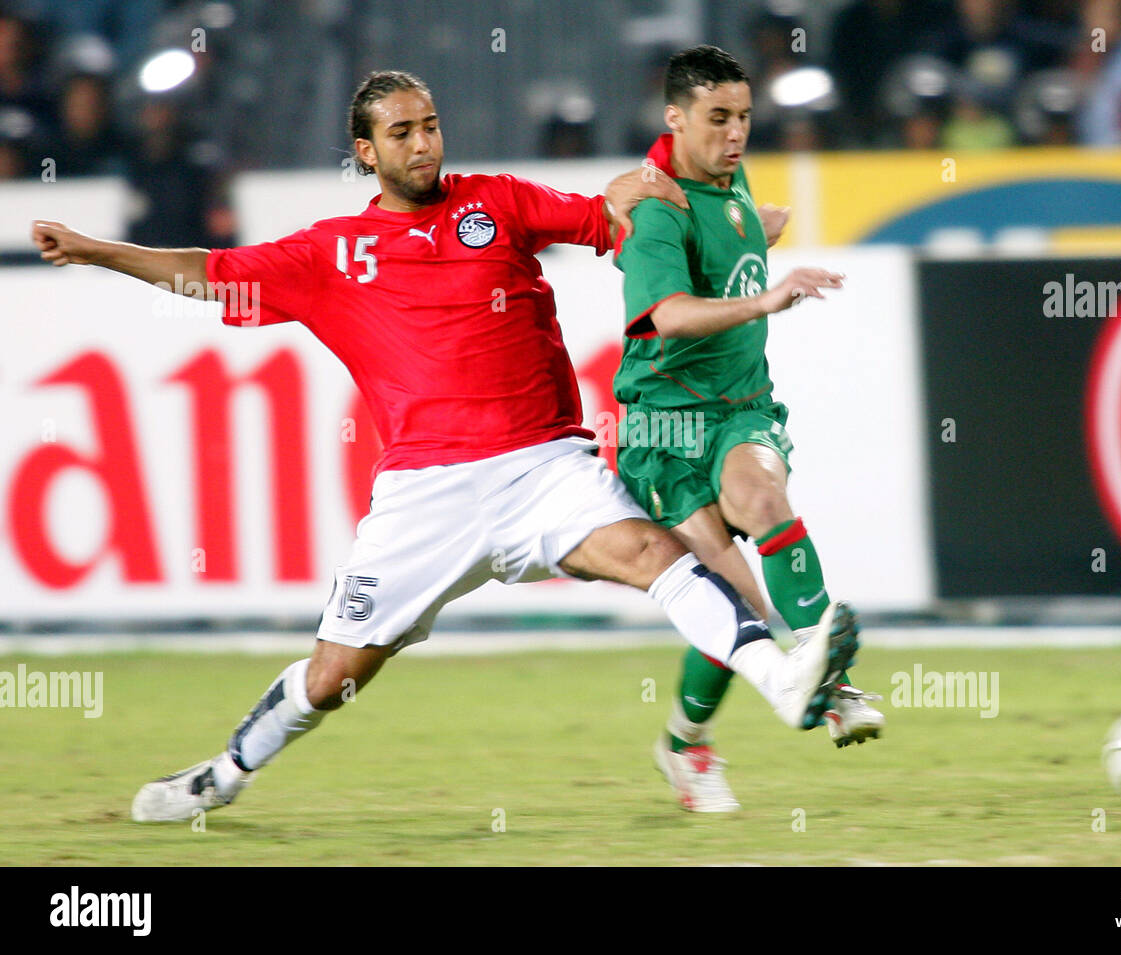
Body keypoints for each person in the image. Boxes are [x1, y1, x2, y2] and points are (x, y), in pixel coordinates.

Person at [31, 69, 860, 823]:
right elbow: (210, 273)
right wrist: (101, 251)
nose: (423, 143)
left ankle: (785, 679)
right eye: (402, 132)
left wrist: (647, 195)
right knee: (333, 680)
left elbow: (621, 226)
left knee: (654, 552)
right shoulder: (329, 255)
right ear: (366, 150)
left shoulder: (495, 203)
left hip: (543, 467)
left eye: (430, 125)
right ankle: (222, 776)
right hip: (423, 497)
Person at [612, 46, 885, 813]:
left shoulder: (727, 179)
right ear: (676, 119)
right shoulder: (655, 210)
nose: (735, 135)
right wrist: (767, 298)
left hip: (742, 409)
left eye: (744, 119)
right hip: (665, 433)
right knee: (736, 616)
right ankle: (683, 747)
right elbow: (666, 318)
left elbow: (731, 232)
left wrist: (757, 233)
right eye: (718, 119)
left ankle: (829, 677)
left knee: (763, 496)